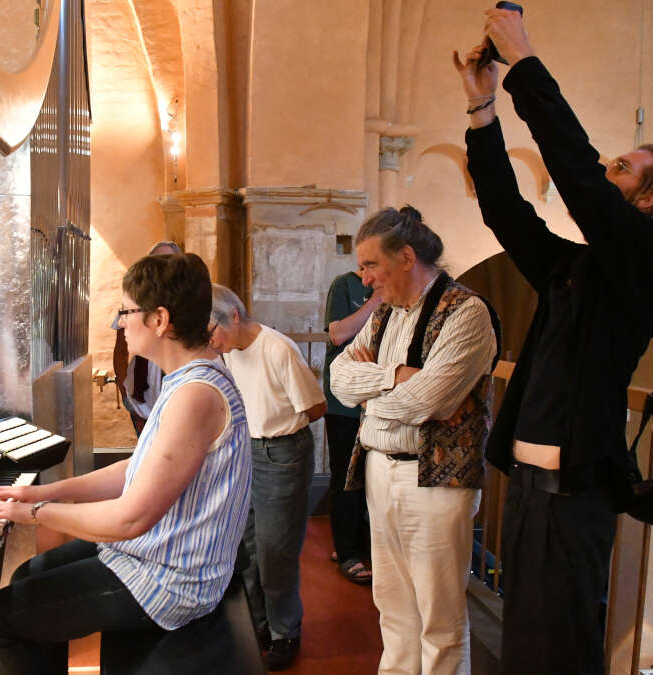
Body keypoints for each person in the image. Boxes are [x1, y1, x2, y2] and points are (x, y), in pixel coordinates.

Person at [453, 9, 653, 674]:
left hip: (575, 496)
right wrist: (481, 110)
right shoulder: (577, 266)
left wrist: (524, 62)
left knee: (562, 650)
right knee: (527, 644)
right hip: (530, 490)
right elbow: (506, 212)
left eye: (623, 168)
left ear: (650, 199)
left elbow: (578, 173)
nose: (607, 171)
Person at [0, 253, 251, 675]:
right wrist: (43, 492)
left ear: (159, 320)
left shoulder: (195, 394)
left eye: (125, 311)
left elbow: (129, 520)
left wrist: (34, 513)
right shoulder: (188, 377)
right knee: (28, 576)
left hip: (174, 579)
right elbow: (135, 469)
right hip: (159, 552)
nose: (119, 323)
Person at [330, 205, 499, 675]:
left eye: (371, 265)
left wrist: (371, 394)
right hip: (379, 468)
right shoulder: (384, 313)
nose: (364, 279)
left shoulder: (466, 313)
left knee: (439, 617)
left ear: (406, 258)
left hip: (436, 481)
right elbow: (339, 378)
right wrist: (394, 376)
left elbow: (428, 401)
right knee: (392, 604)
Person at [209, 284, 327, 671]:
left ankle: (285, 631)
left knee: (275, 551)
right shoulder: (229, 352)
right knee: (245, 546)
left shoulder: (278, 349)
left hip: (282, 452)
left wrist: (276, 422)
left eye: (212, 331)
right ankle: (258, 624)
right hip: (247, 448)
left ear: (234, 316)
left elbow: (316, 407)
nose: (212, 342)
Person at [323, 270, 380, 584]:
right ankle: (346, 551)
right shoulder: (345, 285)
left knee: (374, 477)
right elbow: (338, 334)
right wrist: (377, 299)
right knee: (345, 475)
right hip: (343, 404)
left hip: (378, 402)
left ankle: (361, 544)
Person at [112, 241, 182, 436]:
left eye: (168, 261)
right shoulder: (134, 300)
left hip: (177, 399)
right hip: (142, 401)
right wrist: (125, 393)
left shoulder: (187, 303)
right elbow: (121, 349)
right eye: (157, 262)